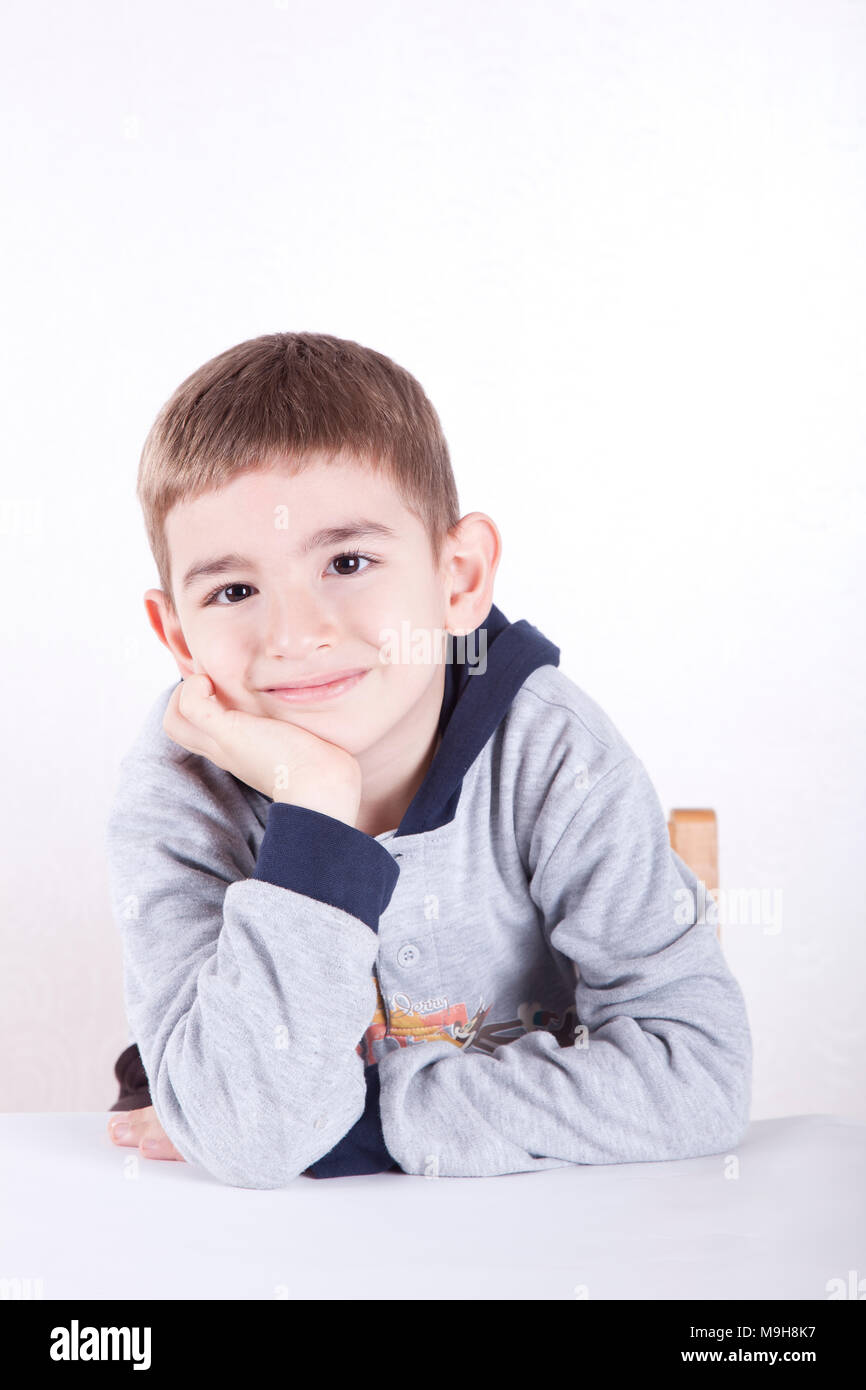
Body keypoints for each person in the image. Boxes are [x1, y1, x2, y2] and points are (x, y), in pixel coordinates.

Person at [105, 330, 752, 1188]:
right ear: (177, 635)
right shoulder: (175, 790)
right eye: (234, 591)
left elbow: (701, 1076)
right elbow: (249, 1133)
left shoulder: (554, 751)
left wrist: (367, 1125)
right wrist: (316, 804)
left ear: (458, 578)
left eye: (347, 561)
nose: (297, 635)